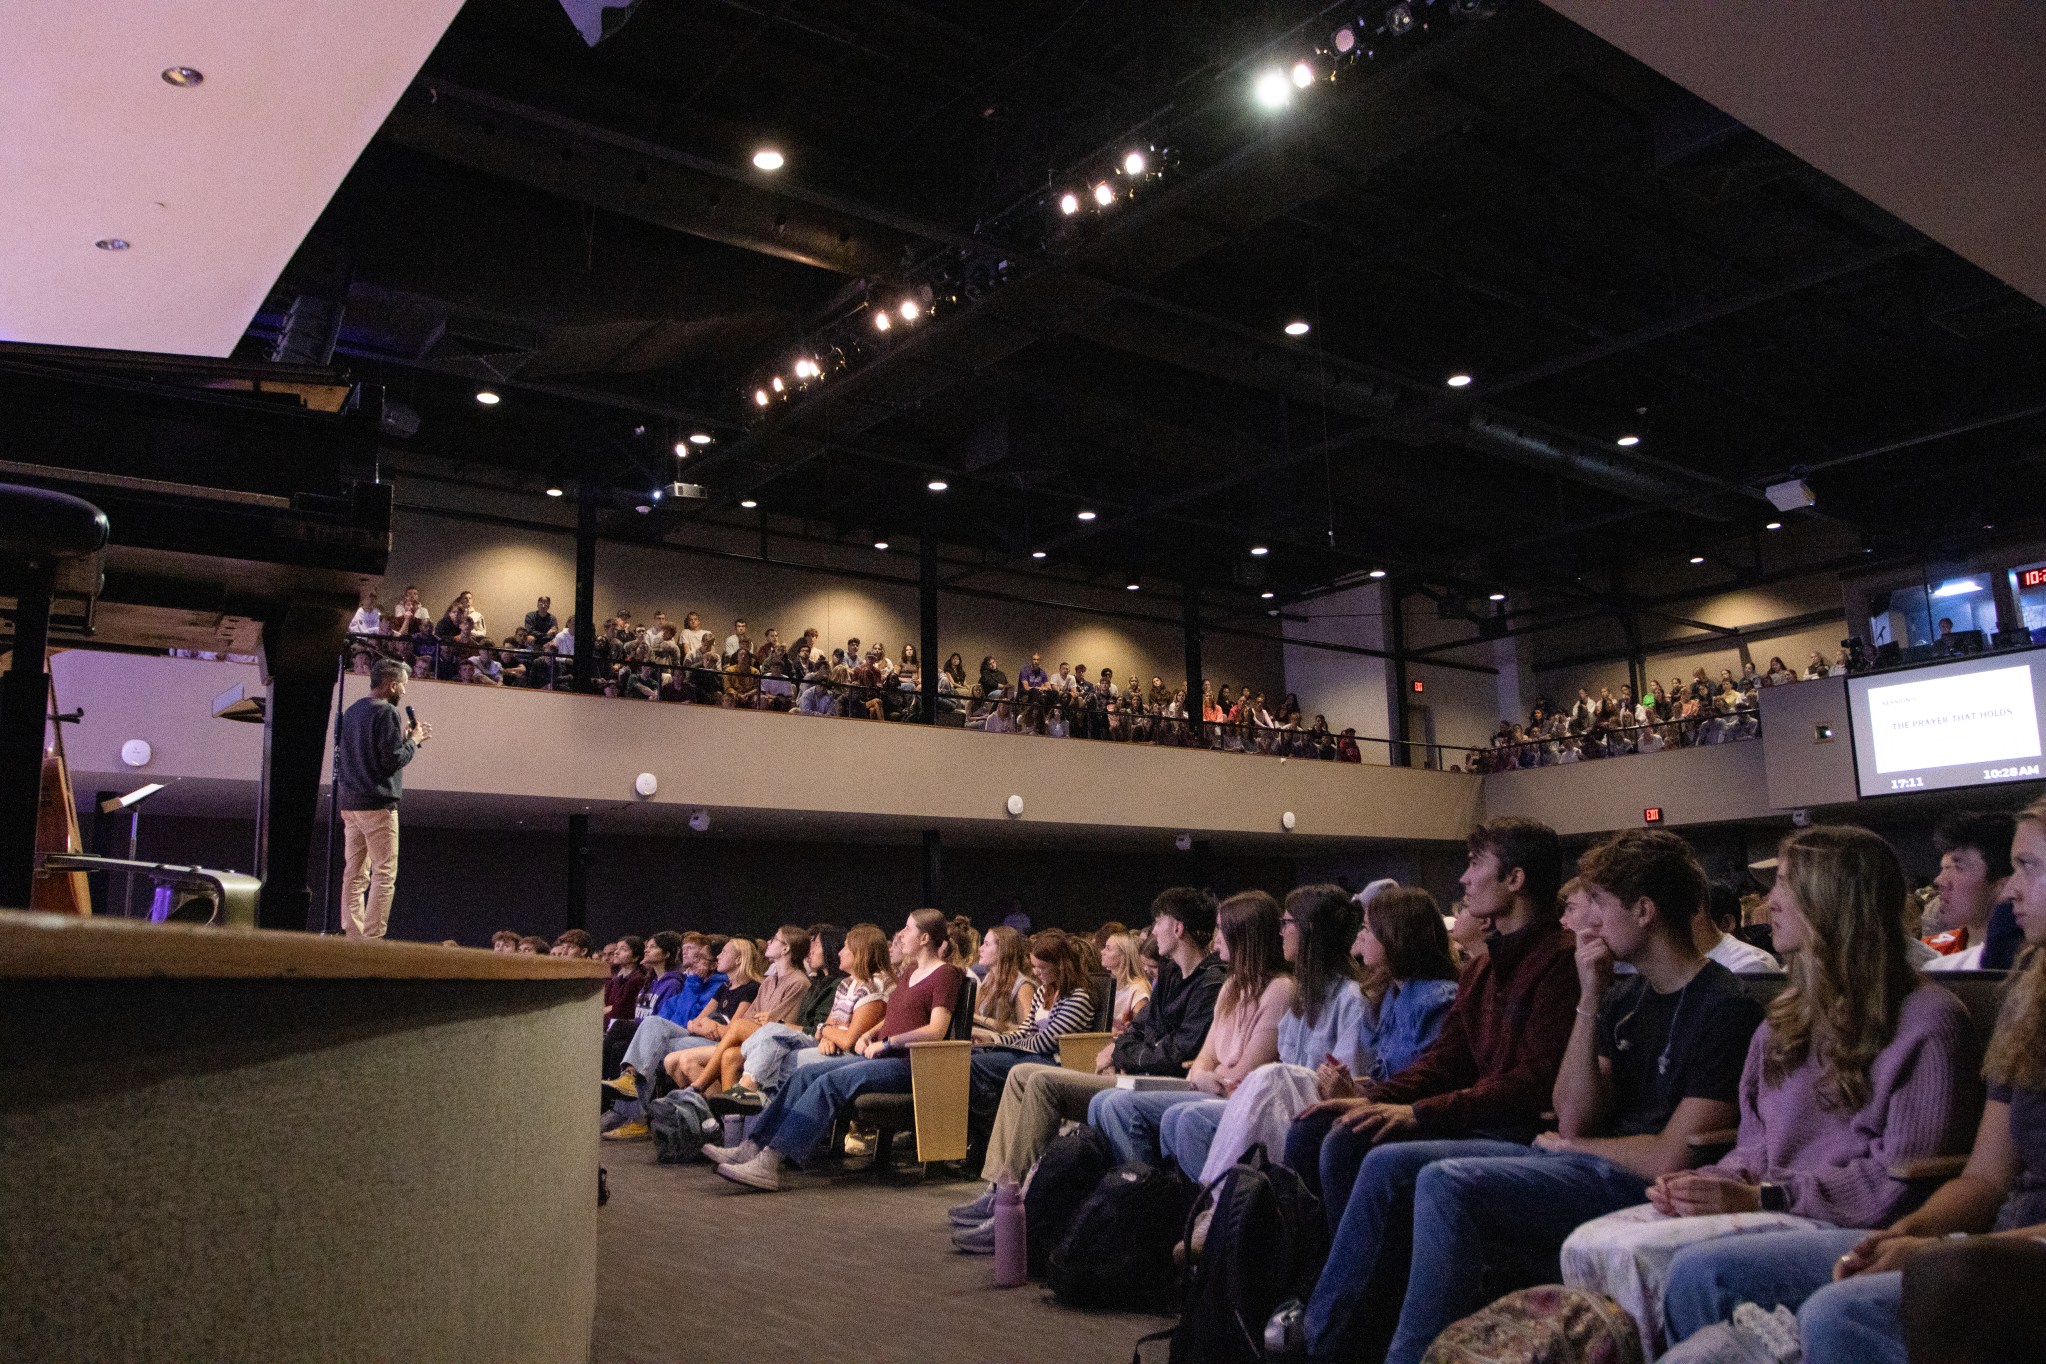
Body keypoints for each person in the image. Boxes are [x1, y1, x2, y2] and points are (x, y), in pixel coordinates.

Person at [1560, 825, 1982, 1356]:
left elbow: (1899, 1182)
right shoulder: (1784, 1021)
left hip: (1865, 1224)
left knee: (1701, 1271)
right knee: (1594, 1243)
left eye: (1785, 884)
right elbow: (1756, 1146)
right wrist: (1704, 1183)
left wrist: (1760, 1196)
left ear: (1833, 899)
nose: (1771, 902)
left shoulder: (1929, 1021)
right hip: (1777, 1205)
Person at [1659, 796, 2046, 1363]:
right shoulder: (2029, 1005)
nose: (2009, 889)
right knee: (1694, 1294)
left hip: (2002, 1255)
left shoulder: (1926, 1017)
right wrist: (1908, 1235)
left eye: (2028, 867)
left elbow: (1905, 1173)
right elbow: (1985, 1180)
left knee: (1833, 1310)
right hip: (1991, 1246)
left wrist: (1938, 1247)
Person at [1364, 832, 1767, 1364]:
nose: (1584, 919)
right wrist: (1591, 999)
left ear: (1644, 911)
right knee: (1394, 1160)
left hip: (1640, 1184)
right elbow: (1575, 1115)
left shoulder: (1725, 1007)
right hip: (1587, 1165)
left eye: (1598, 902)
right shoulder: (1623, 995)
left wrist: (1577, 1149)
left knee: (1447, 1179)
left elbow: (1670, 1157)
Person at [1285, 818, 1575, 1363]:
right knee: (1329, 1128)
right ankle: (1347, 1308)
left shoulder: (1559, 961)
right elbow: (1448, 1061)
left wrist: (1418, 1112)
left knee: (1380, 1162)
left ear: (1514, 879)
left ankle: (1326, 1338)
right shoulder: (1486, 968)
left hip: (1519, 1131)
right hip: (1477, 1117)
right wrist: (1373, 1098)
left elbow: (1533, 1084)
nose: (1463, 880)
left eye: (1474, 866)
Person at [945, 888, 1225, 1232]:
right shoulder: (1169, 975)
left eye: (1158, 922)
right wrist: (1129, 1049)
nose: (1152, 931)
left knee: (1042, 1080)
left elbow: (1175, 1052)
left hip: (1161, 1084)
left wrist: (1122, 1052)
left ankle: (1020, 1207)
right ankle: (999, 1190)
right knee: (1020, 1073)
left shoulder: (1210, 982)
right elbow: (1138, 1030)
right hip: (1136, 1077)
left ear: (1178, 928)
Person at [707, 909, 963, 1190]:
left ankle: (770, 1162)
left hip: (909, 1062)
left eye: (907, 929)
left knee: (827, 1082)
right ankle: (751, 1146)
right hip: (881, 1056)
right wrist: (870, 1034)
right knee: (804, 1075)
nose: (901, 934)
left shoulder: (945, 974)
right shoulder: (911, 972)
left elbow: (936, 1030)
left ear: (925, 938)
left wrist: (888, 1043)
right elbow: (892, 1017)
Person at [1158, 885, 1370, 1187]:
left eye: (1287, 924)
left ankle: (1218, 1208)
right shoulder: (1303, 995)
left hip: (1310, 1111)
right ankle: (1201, 1206)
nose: (1281, 932)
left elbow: (1344, 1083)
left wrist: (1211, 1075)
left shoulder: (1346, 998)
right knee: (1170, 1114)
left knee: (1190, 1118)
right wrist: (1209, 1075)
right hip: (1279, 1104)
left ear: (1309, 930)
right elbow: (1217, 1065)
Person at [1085, 891, 1293, 1168]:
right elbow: (1202, 1060)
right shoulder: (1231, 987)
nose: (1215, 937)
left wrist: (1206, 1075)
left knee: (1124, 1107)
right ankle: (1131, 1191)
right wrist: (1205, 1074)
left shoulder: (1279, 989)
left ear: (1244, 936)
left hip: (1240, 1099)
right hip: (1202, 1086)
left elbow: (1244, 1075)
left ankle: (1147, 1190)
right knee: (1103, 1102)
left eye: (1222, 929)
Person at [334, 659, 429, 939]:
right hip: (378, 805)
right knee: (384, 873)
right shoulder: (387, 712)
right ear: (392, 685)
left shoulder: (351, 711)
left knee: (354, 874)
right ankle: (372, 938)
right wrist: (413, 740)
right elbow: (392, 760)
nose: (404, 691)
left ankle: (353, 934)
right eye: (403, 685)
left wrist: (408, 741)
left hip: (351, 803)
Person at [1923, 810, 2017, 971]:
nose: (1939, 880)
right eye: (1943, 869)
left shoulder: (2034, 963)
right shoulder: (1930, 954)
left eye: (1958, 868)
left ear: (2004, 884)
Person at [972, 924, 1034, 1033]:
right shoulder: (988, 979)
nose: (980, 949)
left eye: (986, 944)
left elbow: (1027, 1031)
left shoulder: (1023, 986)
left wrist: (982, 1020)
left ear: (1003, 950)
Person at [1100, 931, 1151, 1032]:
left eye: (1108, 948)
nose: (1102, 952)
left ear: (1124, 955)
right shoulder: (1107, 985)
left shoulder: (1137, 989)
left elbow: (1141, 1029)